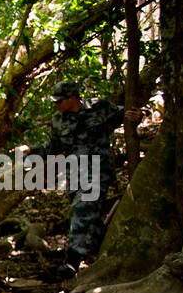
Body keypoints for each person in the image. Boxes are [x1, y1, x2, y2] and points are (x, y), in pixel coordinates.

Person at [24, 80, 141, 278]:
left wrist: (139, 116)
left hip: (97, 169)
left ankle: (72, 263)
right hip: (74, 173)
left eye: (59, 101)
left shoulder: (99, 107)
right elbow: (53, 147)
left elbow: (127, 114)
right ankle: (106, 251)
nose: (56, 105)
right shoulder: (58, 120)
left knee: (82, 208)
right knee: (91, 217)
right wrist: (29, 152)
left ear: (72, 98)